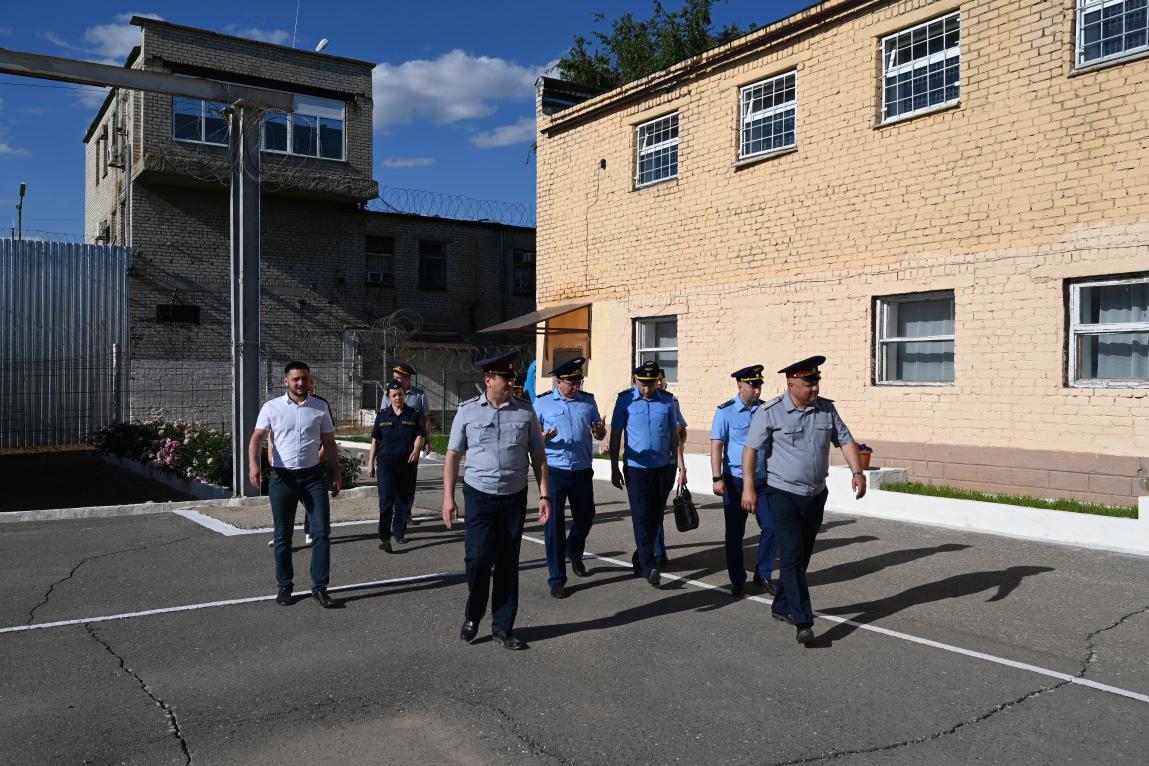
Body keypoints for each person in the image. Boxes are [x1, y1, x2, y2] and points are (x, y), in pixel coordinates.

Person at [741, 356, 867, 644]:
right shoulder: (771, 412)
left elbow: (845, 440)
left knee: (802, 556)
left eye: (817, 381)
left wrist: (857, 472)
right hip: (782, 493)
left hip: (815, 495)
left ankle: (782, 604)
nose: (815, 388)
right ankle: (803, 620)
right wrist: (749, 487)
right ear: (791, 384)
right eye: (808, 383)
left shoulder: (826, 410)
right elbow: (750, 450)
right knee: (792, 554)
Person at [442, 351, 551, 650]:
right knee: (477, 559)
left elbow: (538, 457)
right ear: (488, 380)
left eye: (513, 376)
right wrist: (448, 498)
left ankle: (503, 626)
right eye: (506, 377)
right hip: (479, 496)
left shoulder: (525, 412)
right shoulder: (467, 412)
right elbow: (452, 455)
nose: (511, 381)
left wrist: (544, 494)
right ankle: (473, 614)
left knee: (507, 563)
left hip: (513, 497)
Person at [248, 361, 342, 608]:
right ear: (286, 381)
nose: (300, 383)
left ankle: (320, 588)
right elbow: (257, 437)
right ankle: (285, 587)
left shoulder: (320, 407)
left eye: (304, 379)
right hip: (283, 478)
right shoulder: (272, 407)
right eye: (295, 379)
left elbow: (329, 442)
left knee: (321, 532)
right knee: (283, 536)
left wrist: (336, 472)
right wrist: (254, 465)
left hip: (312, 477)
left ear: (310, 380)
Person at [533, 357, 606, 598]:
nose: (576, 386)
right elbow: (531, 437)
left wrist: (599, 431)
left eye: (579, 382)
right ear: (558, 382)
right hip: (554, 470)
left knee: (586, 517)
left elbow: (599, 428)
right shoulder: (542, 403)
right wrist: (542, 438)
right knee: (553, 524)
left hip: (582, 469)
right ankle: (557, 578)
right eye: (572, 383)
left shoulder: (588, 401)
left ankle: (573, 552)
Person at [609, 361, 685, 588]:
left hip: (663, 468)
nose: (647, 388)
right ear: (635, 380)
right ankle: (650, 565)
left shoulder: (667, 401)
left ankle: (640, 557)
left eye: (651, 384)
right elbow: (615, 435)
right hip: (636, 469)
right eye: (643, 384)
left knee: (656, 515)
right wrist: (614, 467)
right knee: (642, 516)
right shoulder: (625, 401)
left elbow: (674, 434)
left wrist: (679, 463)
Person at [710, 364, 776, 597]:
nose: (756, 390)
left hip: (762, 480)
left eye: (759, 385)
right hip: (735, 480)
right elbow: (717, 445)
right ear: (740, 386)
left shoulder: (765, 410)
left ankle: (764, 573)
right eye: (752, 385)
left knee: (771, 526)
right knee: (735, 534)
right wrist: (717, 477)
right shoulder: (725, 411)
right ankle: (737, 579)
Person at [367, 380, 426, 552]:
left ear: (404, 395)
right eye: (394, 395)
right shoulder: (383, 415)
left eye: (400, 394)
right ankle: (384, 537)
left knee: (402, 500)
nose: (397, 398)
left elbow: (419, 435)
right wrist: (371, 462)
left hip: (406, 463)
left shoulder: (413, 414)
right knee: (386, 501)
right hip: (386, 463)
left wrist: (416, 450)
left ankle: (399, 533)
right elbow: (375, 440)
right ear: (388, 397)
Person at [390, 359, 432, 524]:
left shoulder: (419, 395)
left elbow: (425, 419)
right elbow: (382, 418)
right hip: (392, 444)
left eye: (399, 378)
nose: (396, 380)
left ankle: (406, 512)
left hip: (411, 445)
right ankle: (395, 511)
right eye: (394, 377)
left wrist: (428, 439)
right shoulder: (389, 393)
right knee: (392, 480)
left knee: (409, 481)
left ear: (408, 379)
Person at [655, 370, 688, 568]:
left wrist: (682, 467)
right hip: (647, 465)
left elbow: (682, 433)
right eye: (655, 380)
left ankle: (657, 549)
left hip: (668, 463)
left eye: (661, 379)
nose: (659, 383)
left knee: (658, 508)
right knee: (651, 510)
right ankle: (656, 550)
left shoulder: (672, 401)